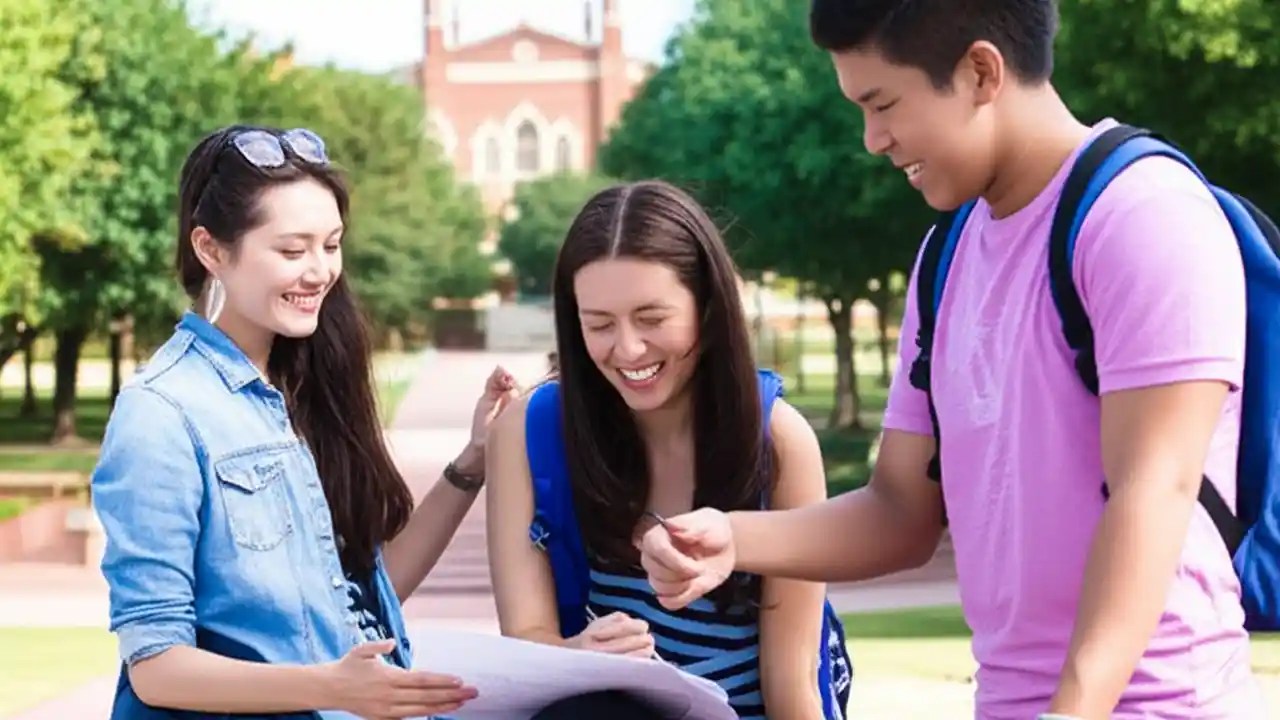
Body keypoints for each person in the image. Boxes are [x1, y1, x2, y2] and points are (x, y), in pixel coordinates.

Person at [637, 2, 1267, 719]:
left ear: (979, 72)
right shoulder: (946, 257)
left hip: (1160, 704)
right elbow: (901, 511)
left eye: (883, 104)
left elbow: (1154, 491)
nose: (873, 140)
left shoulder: (1143, 217)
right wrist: (732, 538)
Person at [92, 125, 516, 719]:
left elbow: (363, 597)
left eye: (331, 244)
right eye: (293, 251)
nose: (320, 271)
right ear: (211, 250)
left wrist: (473, 462)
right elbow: (157, 666)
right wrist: (329, 689)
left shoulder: (306, 386)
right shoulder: (161, 412)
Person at [485, 180, 852, 720]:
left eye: (652, 319)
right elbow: (525, 635)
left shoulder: (778, 443)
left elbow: (791, 682)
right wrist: (578, 656)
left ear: (706, 308)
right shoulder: (528, 433)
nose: (628, 349)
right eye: (600, 325)